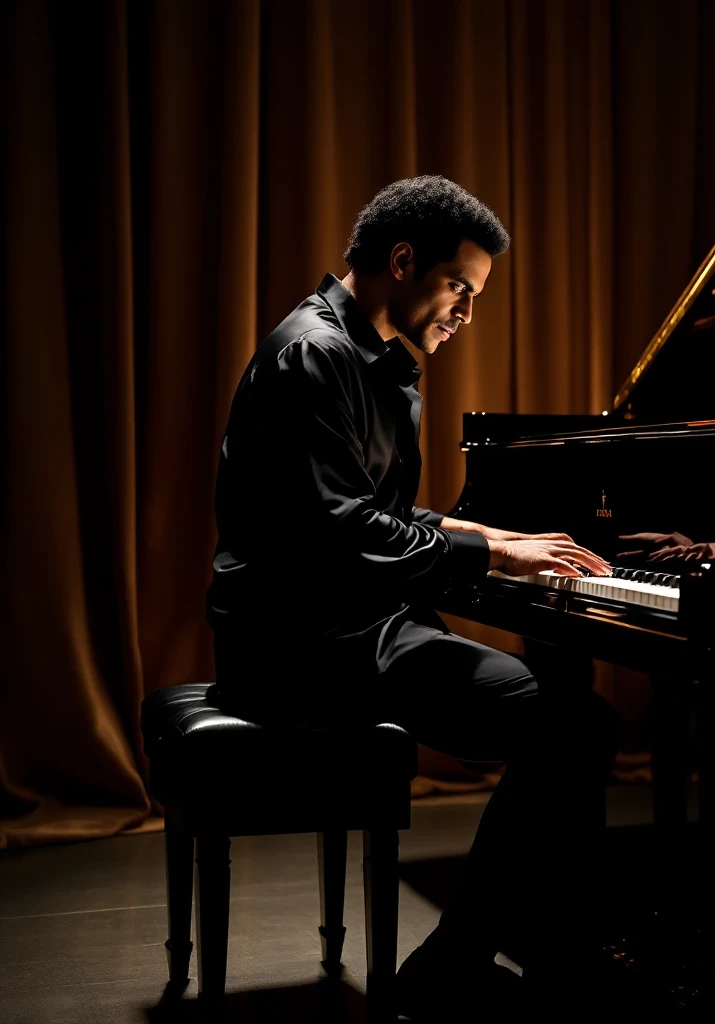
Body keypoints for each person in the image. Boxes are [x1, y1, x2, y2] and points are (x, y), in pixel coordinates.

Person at [205, 176, 622, 1019]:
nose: (466, 312)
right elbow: (350, 532)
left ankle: (544, 951)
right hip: (302, 646)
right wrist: (491, 558)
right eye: (460, 289)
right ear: (402, 262)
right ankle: (463, 962)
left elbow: (375, 514)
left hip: (344, 625)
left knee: (572, 722)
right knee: (574, 725)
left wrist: (498, 542)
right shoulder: (313, 356)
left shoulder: (367, 356)